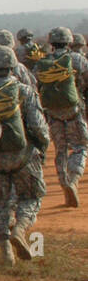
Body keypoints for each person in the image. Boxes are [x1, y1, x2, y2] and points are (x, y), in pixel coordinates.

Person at [0, 46, 50, 266]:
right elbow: (37, 126)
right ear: (12, 65)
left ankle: (6, 249)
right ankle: (20, 228)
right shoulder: (24, 90)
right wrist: (42, 147)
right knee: (32, 196)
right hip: (22, 155)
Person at [31, 26, 88, 207]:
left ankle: (64, 184)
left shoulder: (42, 62)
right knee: (80, 147)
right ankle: (73, 178)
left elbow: (33, 84)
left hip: (52, 113)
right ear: (69, 41)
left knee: (60, 150)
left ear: (51, 43)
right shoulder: (77, 59)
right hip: (74, 111)